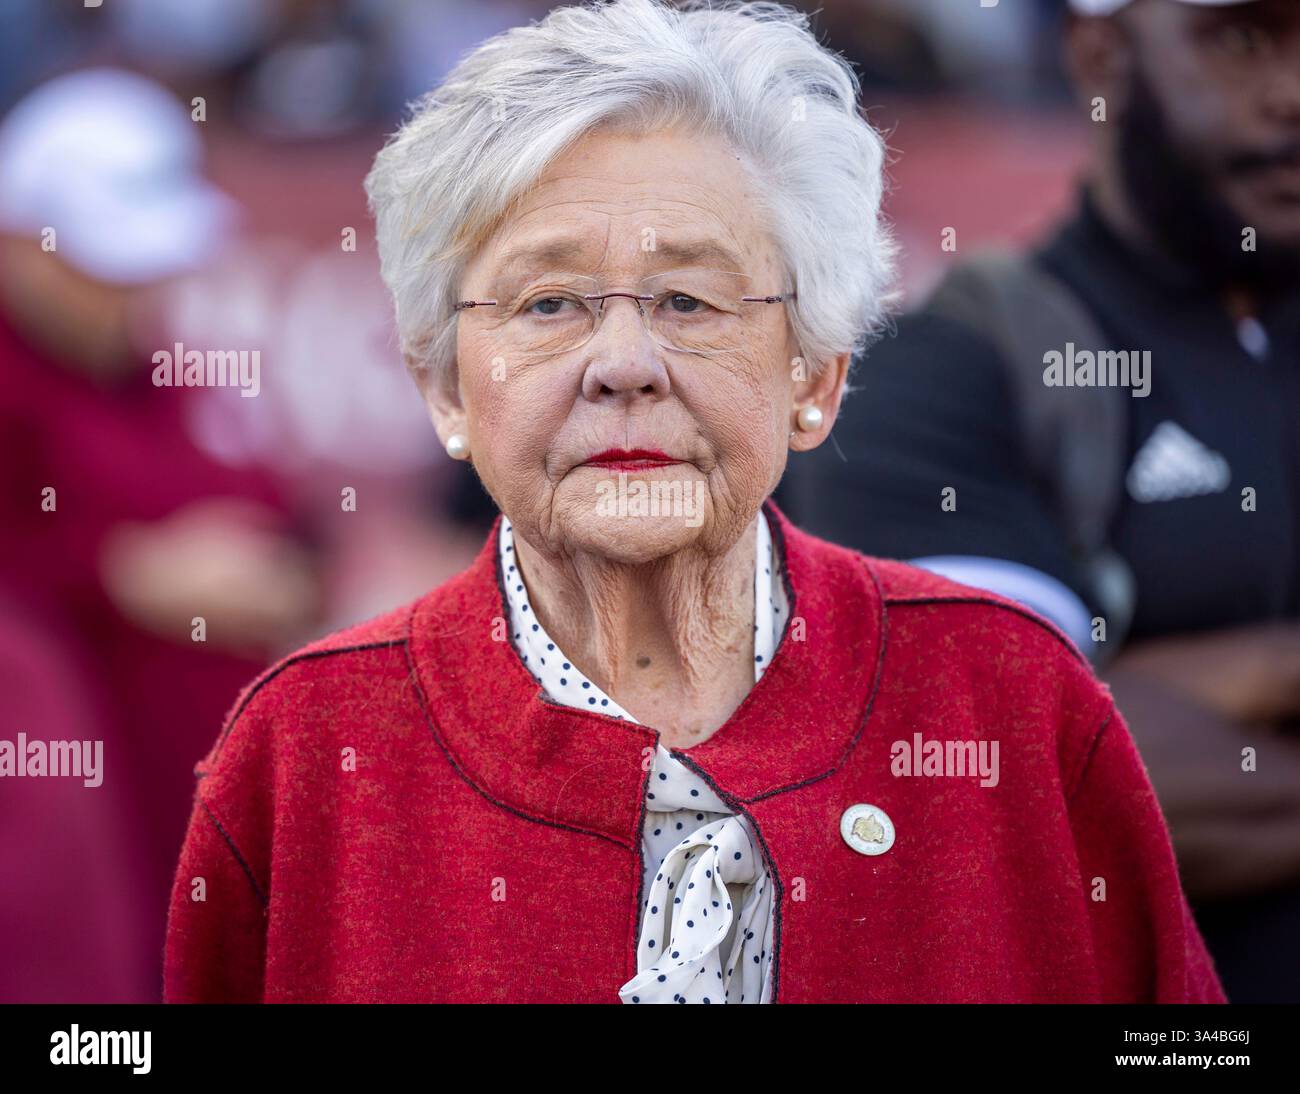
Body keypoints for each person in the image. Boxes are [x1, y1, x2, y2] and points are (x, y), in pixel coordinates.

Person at [164, 0, 1223, 1004]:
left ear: (813, 377)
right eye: (548, 302)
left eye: (689, 299)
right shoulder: (303, 752)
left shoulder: (1011, 703)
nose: (623, 363)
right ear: (445, 385)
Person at [778, 0, 1300, 1002]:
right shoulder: (949, 367)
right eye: (1237, 37)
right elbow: (978, 772)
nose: (1290, 92)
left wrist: (1175, 687)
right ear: (1099, 52)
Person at [0, 68, 320, 1000]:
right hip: (66, 878)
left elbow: (289, 527)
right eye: (108, 267)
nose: (136, 292)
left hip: (203, 836)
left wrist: (282, 582)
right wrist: (126, 575)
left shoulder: (173, 375)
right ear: (22, 242)